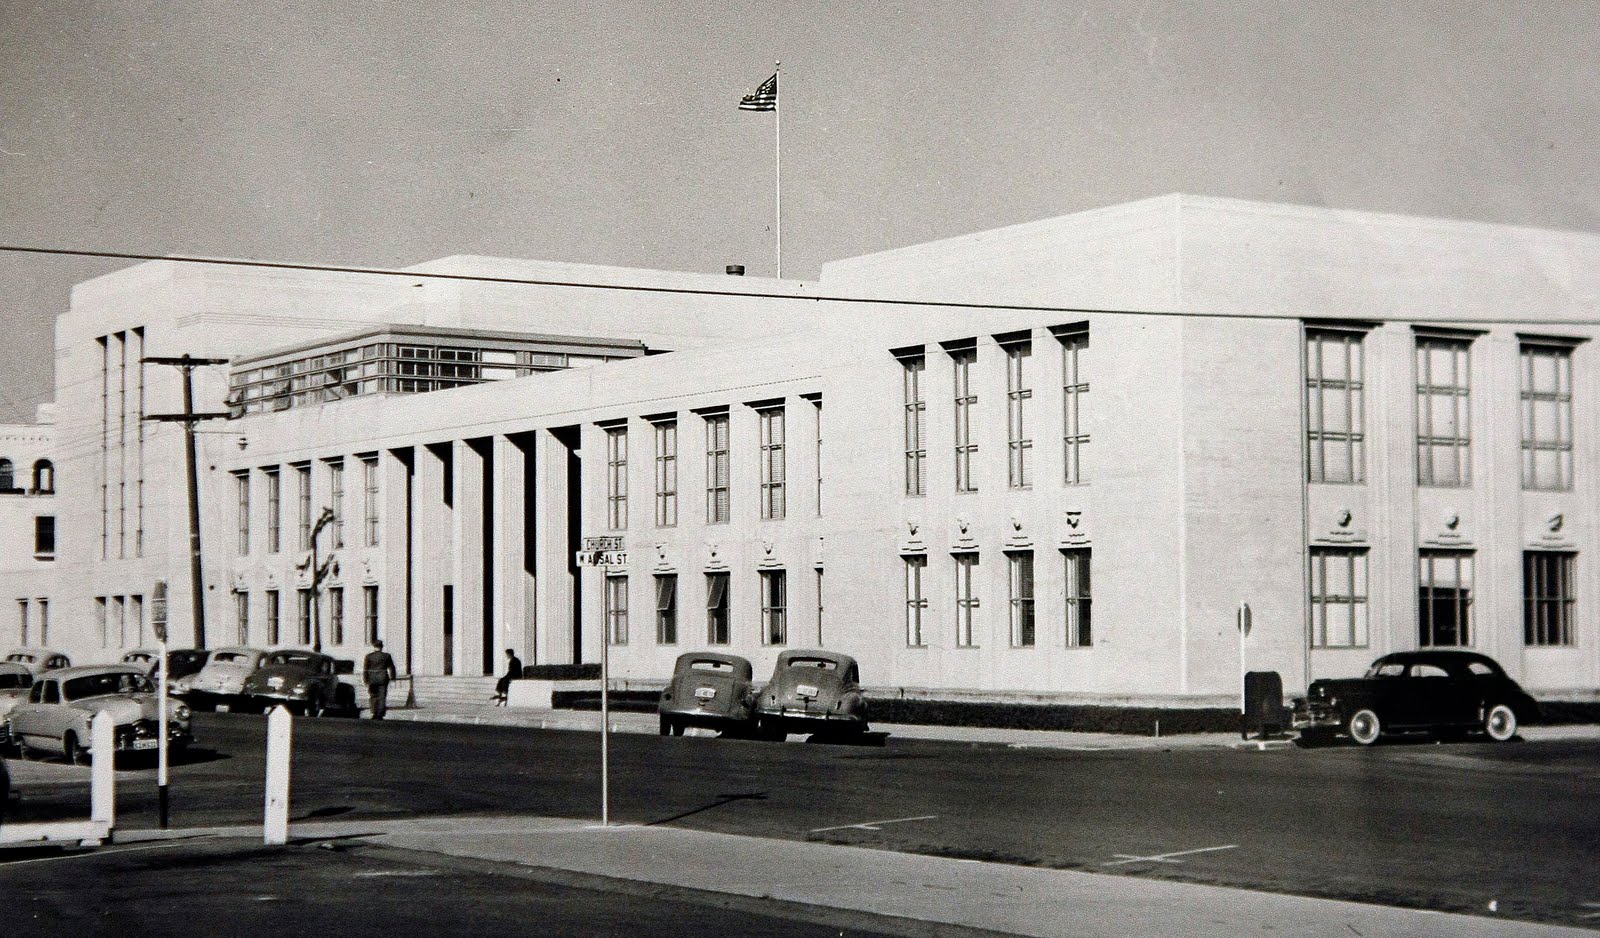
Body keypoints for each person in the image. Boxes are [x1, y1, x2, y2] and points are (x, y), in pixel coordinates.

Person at [363, 640, 397, 719]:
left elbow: (365, 669)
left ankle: (374, 712)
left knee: (373, 696)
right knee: (382, 696)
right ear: (382, 647)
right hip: (383, 678)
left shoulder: (369, 656)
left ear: (374, 647)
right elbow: (391, 667)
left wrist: (365, 679)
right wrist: (393, 677)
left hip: (372, 678)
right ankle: (380, 713)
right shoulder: (386, 656)